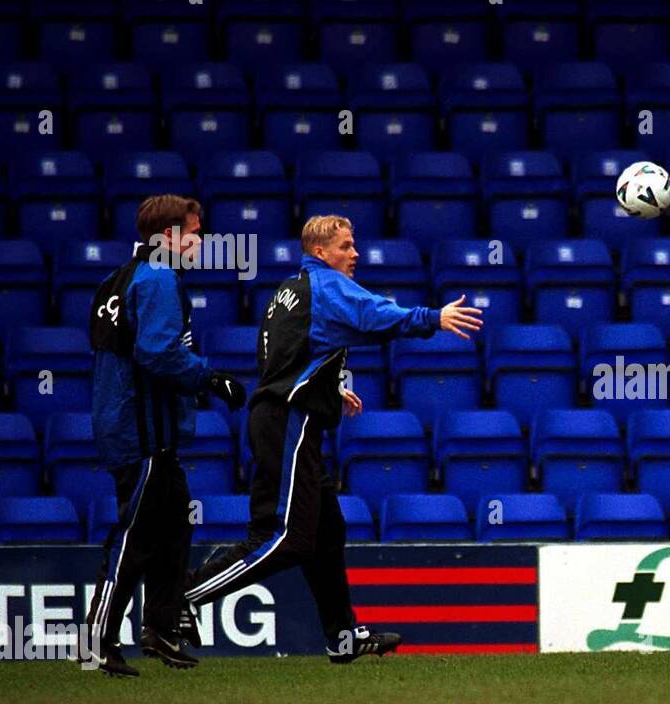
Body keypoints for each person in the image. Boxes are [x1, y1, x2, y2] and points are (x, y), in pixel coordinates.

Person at [183, 215, 483, 663]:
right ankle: (182, 597)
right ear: (320, 252)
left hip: (283, 417)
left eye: (354, 245)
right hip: (289, 423)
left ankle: (343, 638)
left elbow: (287, 356)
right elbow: (375, 315)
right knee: (284, 538)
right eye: (346, 246)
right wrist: (433, 318)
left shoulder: (289, 291)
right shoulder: (326, 287)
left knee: (326, 531)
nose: (355, 253)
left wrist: (329, 387)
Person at [86, 194, 247, 677]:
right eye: (195, 232)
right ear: (170, 236)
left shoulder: (120, 277)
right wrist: (210, 378)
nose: (201, 241)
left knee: (174, 528)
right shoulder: (157, 278)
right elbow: (157, 353)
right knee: (136, 538)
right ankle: (97, 640)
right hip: (143, 434)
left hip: (135, 428)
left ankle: (160, 630)